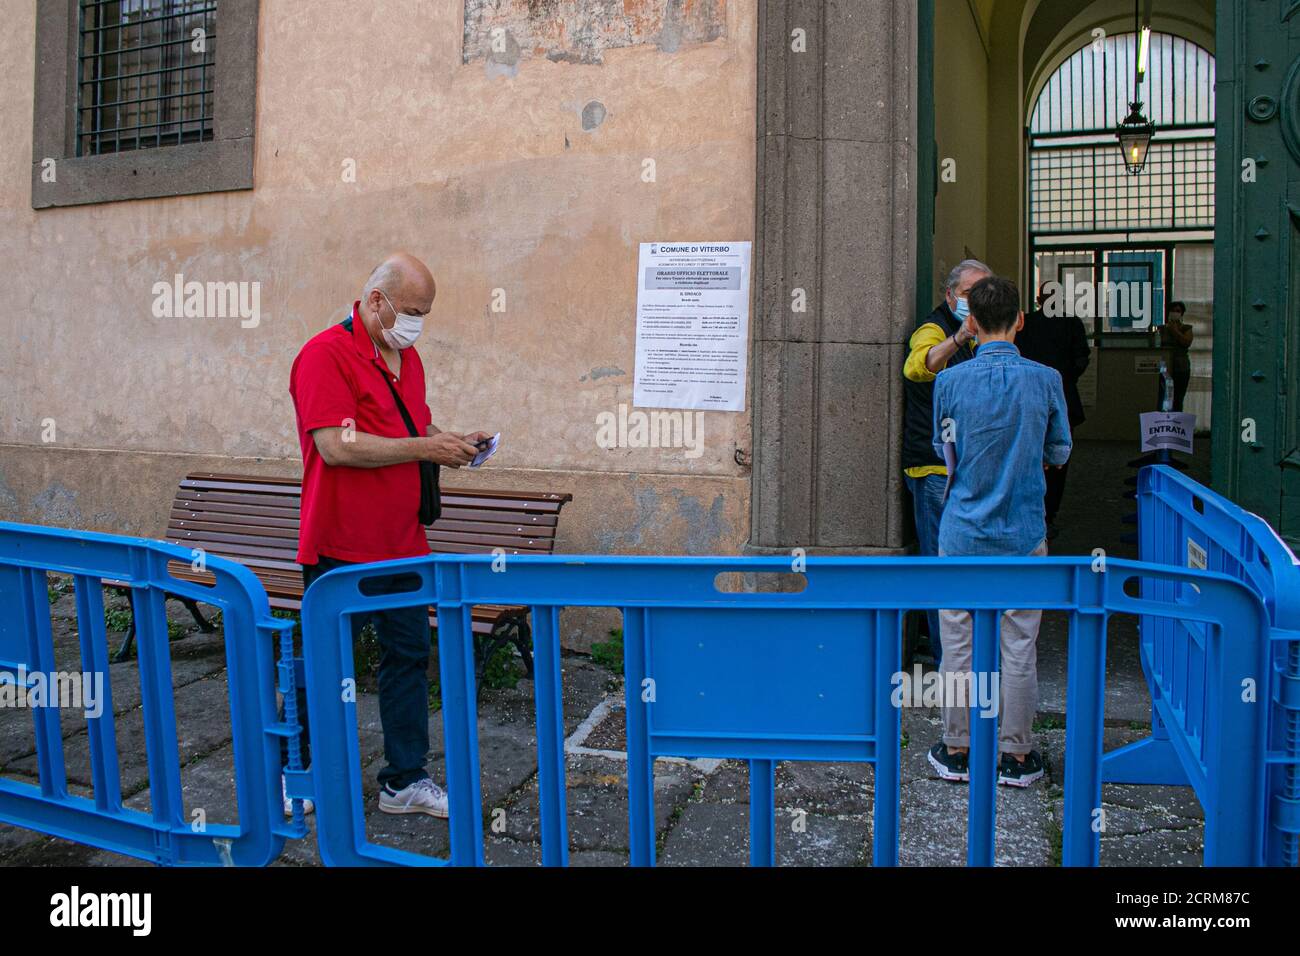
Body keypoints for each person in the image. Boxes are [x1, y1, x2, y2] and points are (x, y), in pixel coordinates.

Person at [286, 252, 491, 818]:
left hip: (401, 541)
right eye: (413, 311)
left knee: (407, 655)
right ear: (376, 300)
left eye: (425, 314)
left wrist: (448, 440)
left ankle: (404, 780)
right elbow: (335, 445)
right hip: (339, 543)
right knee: (326, 662)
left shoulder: (407, 356)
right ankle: (300, 775)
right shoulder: (324, 355)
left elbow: (409, 423)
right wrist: (427, 448)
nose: (418, 323)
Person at [926, 275, 1072, 788]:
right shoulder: (1046, 379)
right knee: (1019, 644)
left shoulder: (948, 382)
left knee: (958, 643)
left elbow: (948, 455)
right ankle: (1015, 754)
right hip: (1023, 531)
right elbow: (1059, 451)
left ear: (972, 321)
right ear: (1020, 321)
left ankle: (958, 746)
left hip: (962, 531)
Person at [902, 259, 991, 666]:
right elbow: (918, 366)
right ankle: (948, 663)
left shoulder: (982, 336)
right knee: (942, 567)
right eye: (970, 292)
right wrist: (958, 336)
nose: (976, 301)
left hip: (968, 467)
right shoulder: (935, 329)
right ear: (950, 294)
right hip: (935, 470)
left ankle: (966, 656)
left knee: (963, 566)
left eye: (984, 292)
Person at [1016, 282, 1091, 539]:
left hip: (1027, 399)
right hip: (1063, 400)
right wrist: (1065, 380)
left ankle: (1029, 511)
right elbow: (1082, 359)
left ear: (1038, 299)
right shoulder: (1072, 324)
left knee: (1025, 454)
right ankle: (1049, 515)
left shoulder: (1026, 324)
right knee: (1058, 460)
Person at [1159, 300, 1193, 411]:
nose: (1175, 313)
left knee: (1178, 397)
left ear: (1182, 313)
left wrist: (1175, 331)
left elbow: (1186, 342)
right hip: (1165, 367)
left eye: (1178, 311)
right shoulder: (1162, 329)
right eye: (1172, 311)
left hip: (1181, 367)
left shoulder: (1186, 328)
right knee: (1164, 396)